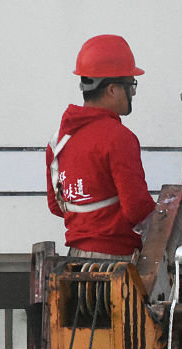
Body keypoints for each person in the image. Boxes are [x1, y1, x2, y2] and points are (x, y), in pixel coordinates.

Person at [46, 35, 155, 259]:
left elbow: (57, 206)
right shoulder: (118, 138)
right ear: (112, 89)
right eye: (130, 85)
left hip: (75, 262)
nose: (133, 93)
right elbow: (137, 209)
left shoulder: (59, 140)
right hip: (118, 264)